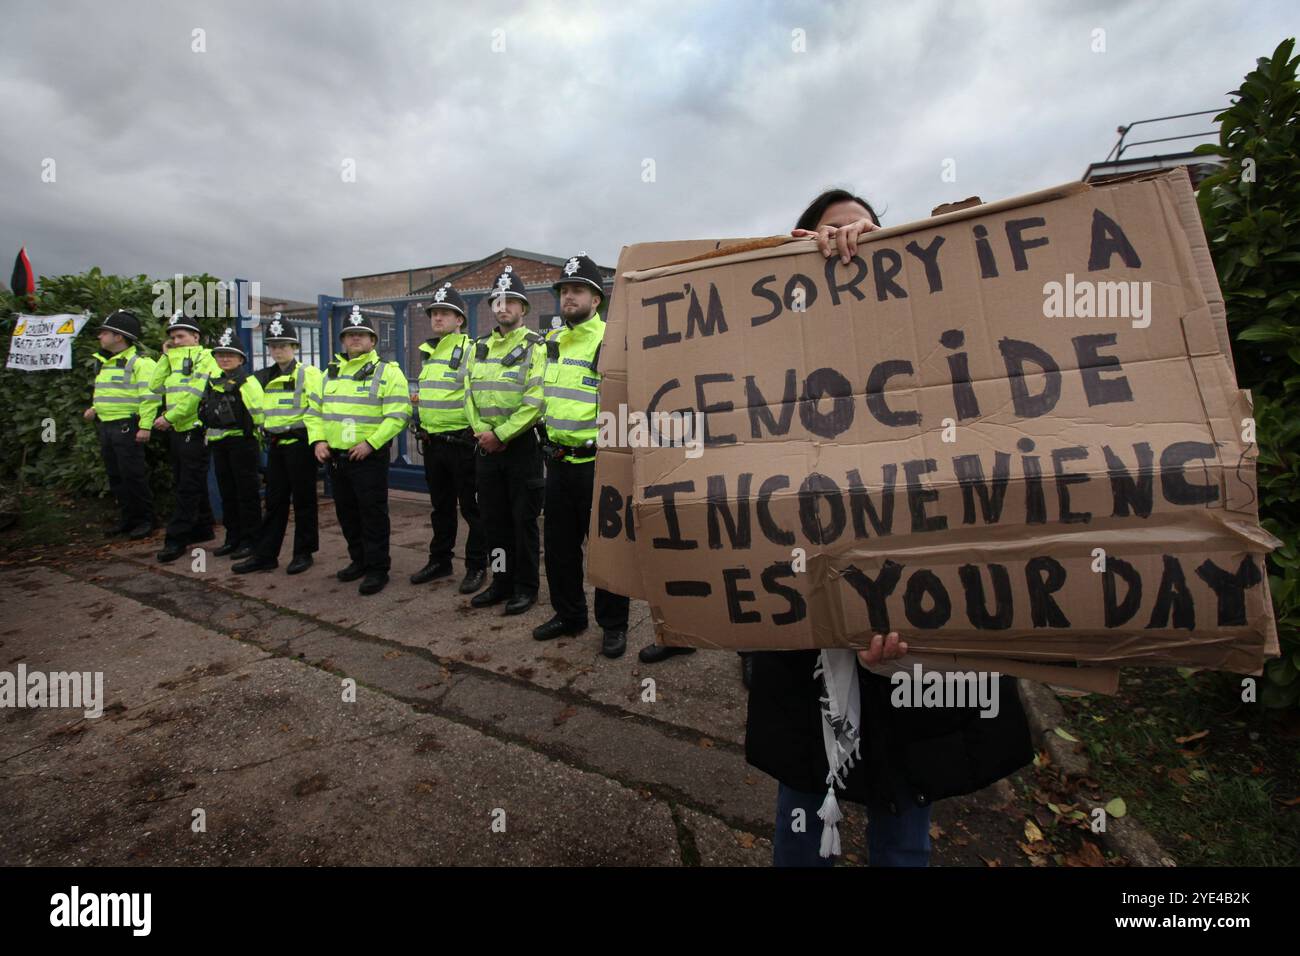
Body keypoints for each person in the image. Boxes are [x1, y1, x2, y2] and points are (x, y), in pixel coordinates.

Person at [744, 189, 1034, 867]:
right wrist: (788, 272)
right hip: (806, 636)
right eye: (831, 231)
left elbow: (982, 316)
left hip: (913, 635)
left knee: (903, 826)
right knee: (802, 811)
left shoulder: (920, 330)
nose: (848, 241)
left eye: (862, 229)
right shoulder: (777, 337)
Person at [532, 253, 631, 658]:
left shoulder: (611, 340)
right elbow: (543, 394)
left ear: (596, 298)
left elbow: (624, 404)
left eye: (578, 290)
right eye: (564, 290)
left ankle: (614, 625)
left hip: (598, 464)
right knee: (558, 547)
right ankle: (569, 615)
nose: (568, 297)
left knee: (608, 548)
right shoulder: (551, 342)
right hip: (556, 463)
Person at [465, 265, 547, 616]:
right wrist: (482, 432)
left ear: (523, 309)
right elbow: (467, 392)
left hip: (521, 448)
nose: (503, 306)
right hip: (486, 448)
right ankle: (500, 581)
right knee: (493, 522)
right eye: (497, 301)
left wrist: (500, 434)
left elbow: (537, 399)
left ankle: (526, 587)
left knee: (522, 522)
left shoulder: (536, 347)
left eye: (510, 301)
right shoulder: (479, 346)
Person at [314, 305, 410, 595]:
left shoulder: (387, 372)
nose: (355, 339)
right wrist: (318, 440)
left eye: (362, 334)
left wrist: (371, 443)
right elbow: (313, 411)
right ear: (343, 340)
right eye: (350, 334)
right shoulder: (329, 373)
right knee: (347, 513)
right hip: (337, 457)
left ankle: (378, 569)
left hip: (367, 457)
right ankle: (359, 560)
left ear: (372, 341)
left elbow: (398, 414)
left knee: (372, 515)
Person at [409, 283, 487, 593]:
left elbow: (478, 394)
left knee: (473, 509)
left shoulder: (470, 350)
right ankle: (440, 560)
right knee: (440, 508)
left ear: (459, 320)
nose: (438, 318)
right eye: (434, 313)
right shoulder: (430, 352)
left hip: (462, 444)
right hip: (433, 444)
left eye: (445, 313)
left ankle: (478, 565)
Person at [234, 314, 323, 576]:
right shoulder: (261, 377)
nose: (278, 350)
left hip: (300, 444)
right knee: (274, 503)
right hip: (275, 445)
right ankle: (266, 555)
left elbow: (318, 408)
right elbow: (232, 378)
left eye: (283, 345)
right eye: (273, 345)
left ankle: (303, 553)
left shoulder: (309, 373)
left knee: (304, 501)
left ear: (294, 347)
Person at [139, 311, 221, 563]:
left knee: (187, 485)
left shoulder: (206, 357)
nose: (176, 341)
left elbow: (195, 394)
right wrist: (165, 356)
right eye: (172, 337)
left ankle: (176, 538)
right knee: (185, 480)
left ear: (195, 337)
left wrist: (170, 417)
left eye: (180, 336)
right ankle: (203, 527)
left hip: (194, 428)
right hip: (177, 429)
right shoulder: (171, 359)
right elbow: (155, 385)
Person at [84, 309, 156, 540]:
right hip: (106, 426)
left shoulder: (140, 363)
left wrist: (145, 426)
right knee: (116, 476)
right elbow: (109, 393)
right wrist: (95, 409)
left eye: (104, 332)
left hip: (127, 426)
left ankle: (146, 520)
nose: (100, 337)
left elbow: (149, 397)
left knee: (133, 475)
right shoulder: (105, 362)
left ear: (119, 336)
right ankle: (128, 519)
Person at [202, 327, 264, 560]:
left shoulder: (247, 383)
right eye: (220, 354)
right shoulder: (213, 381)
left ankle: (251, 540)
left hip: (242, 444)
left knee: (246, 494)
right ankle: (233, 538)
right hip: (219, 444)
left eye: (230, 354)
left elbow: (260, 415)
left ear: (240, 359)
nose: (225, 358)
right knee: (227, 493)